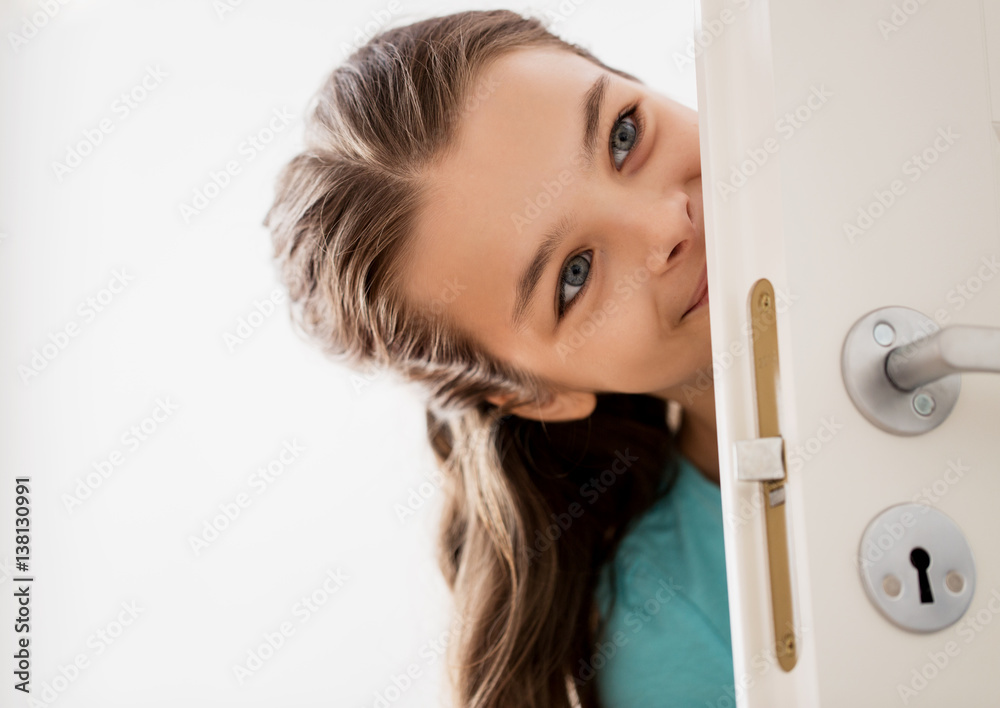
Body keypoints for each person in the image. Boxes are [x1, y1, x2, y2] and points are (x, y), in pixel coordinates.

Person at [264, 9, 731, 707]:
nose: (666, 225)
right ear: (540, 393)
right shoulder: (674, 640)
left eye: (622, 136)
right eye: (573, 275)